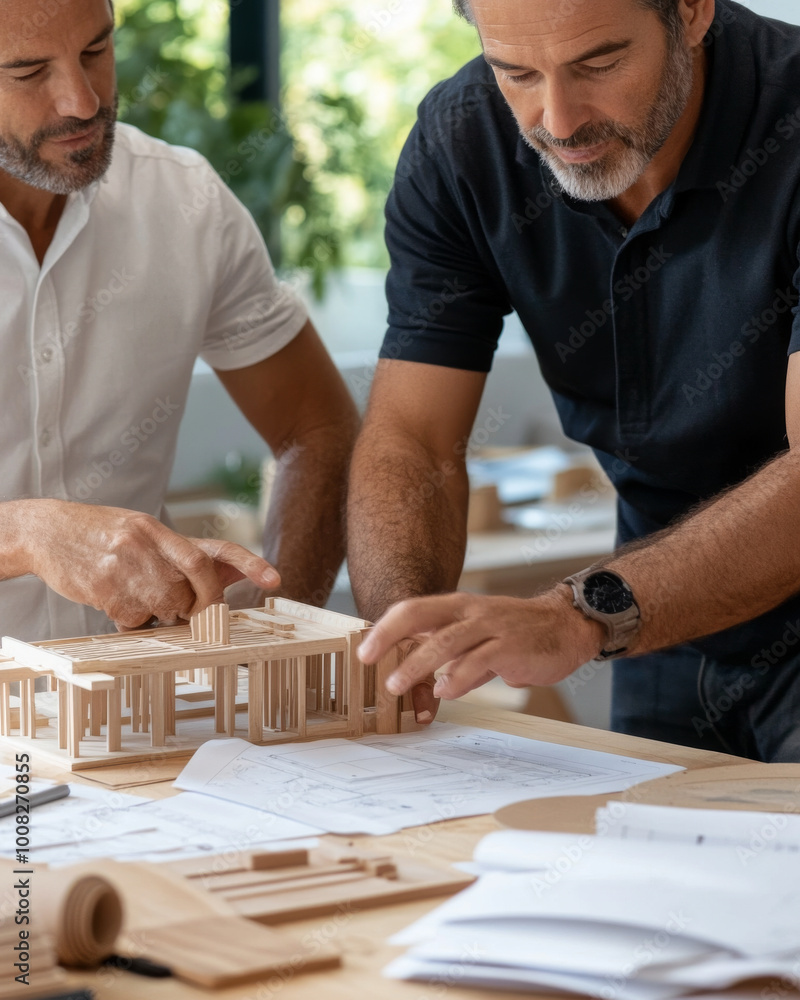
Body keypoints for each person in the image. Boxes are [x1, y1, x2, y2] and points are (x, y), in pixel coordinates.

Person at [349, 0, 800, 761]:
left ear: (691, 11)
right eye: (517, 72)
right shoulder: (464, 143)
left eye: (598, 65)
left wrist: (579, 618)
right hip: (657, 616)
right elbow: (413, 441)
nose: (558, 120)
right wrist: (402, 640)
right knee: (649, 872)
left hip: (637, 604)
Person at [0, 0, 359, 641]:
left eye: (96, 51)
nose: (82, 101)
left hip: (138, 712)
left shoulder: (183, 200)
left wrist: (273, 630)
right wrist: (24, 534)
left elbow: (318, 429)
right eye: (28, 73)